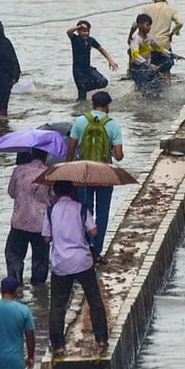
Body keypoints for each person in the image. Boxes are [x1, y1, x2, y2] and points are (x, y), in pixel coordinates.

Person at [43, 180, 109, 356]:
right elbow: (94, 231)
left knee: (58, 304)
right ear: (72, 191)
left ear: (55, 193)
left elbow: (47, 238)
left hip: (61, 264)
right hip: (82, 262)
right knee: (94, 301)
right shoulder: (80, 209)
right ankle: (101, 339)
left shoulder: (50, 211)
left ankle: (58, 345)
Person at [65, 91, 124, 261]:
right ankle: (97, 251)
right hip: (105, 173)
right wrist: (111, 148)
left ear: (92, 104)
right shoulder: (113, 125)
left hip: (84, 172)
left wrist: (69, 169)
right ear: (107, 107)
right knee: (103, 212)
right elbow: (119, 156)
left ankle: (87, 246)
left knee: (85, 209)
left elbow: (71, 149)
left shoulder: (80, 121)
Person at [6, 150, 56, 286]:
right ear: (45, 157)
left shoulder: (19, 170)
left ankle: (15, 286)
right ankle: (39, 291)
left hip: (19, 222)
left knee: (14, 256)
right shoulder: (49, 174)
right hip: (41, 225)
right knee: (40, 259)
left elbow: (11, 192)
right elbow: (53, 198)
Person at [127, 0, 185, 77]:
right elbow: (180, 23)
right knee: (166, 73)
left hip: (148, 45)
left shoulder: (146, 9)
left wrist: (130, 36)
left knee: (149, 72)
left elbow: (135, 24)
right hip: (164, 44)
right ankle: (167, 89)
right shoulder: (170, 9)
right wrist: (172, 33)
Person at [67, 21, 119, 101]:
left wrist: (110, 60)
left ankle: (85, 89)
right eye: (84, 31)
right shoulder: (75, 39)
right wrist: (78, 27)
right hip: (78, 71)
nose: (86, 33)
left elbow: (101, 49)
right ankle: (81, 94)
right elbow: (69, 32)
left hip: (88, 68)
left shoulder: (91, 40)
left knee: (103, 82)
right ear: (78, 31)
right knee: (82, 99)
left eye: (88, 31)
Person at [128, 13, 177, 97]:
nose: (150, 27)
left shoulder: (149, 38)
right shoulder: (136, 40)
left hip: (147, 67)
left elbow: (159, 49)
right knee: (143, 90)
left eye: (150, 25)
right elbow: (135, 55)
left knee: (157, 89)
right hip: (137, 69)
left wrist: (172, 55)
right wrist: (148, 64)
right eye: (147, 25)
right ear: (140, 25)